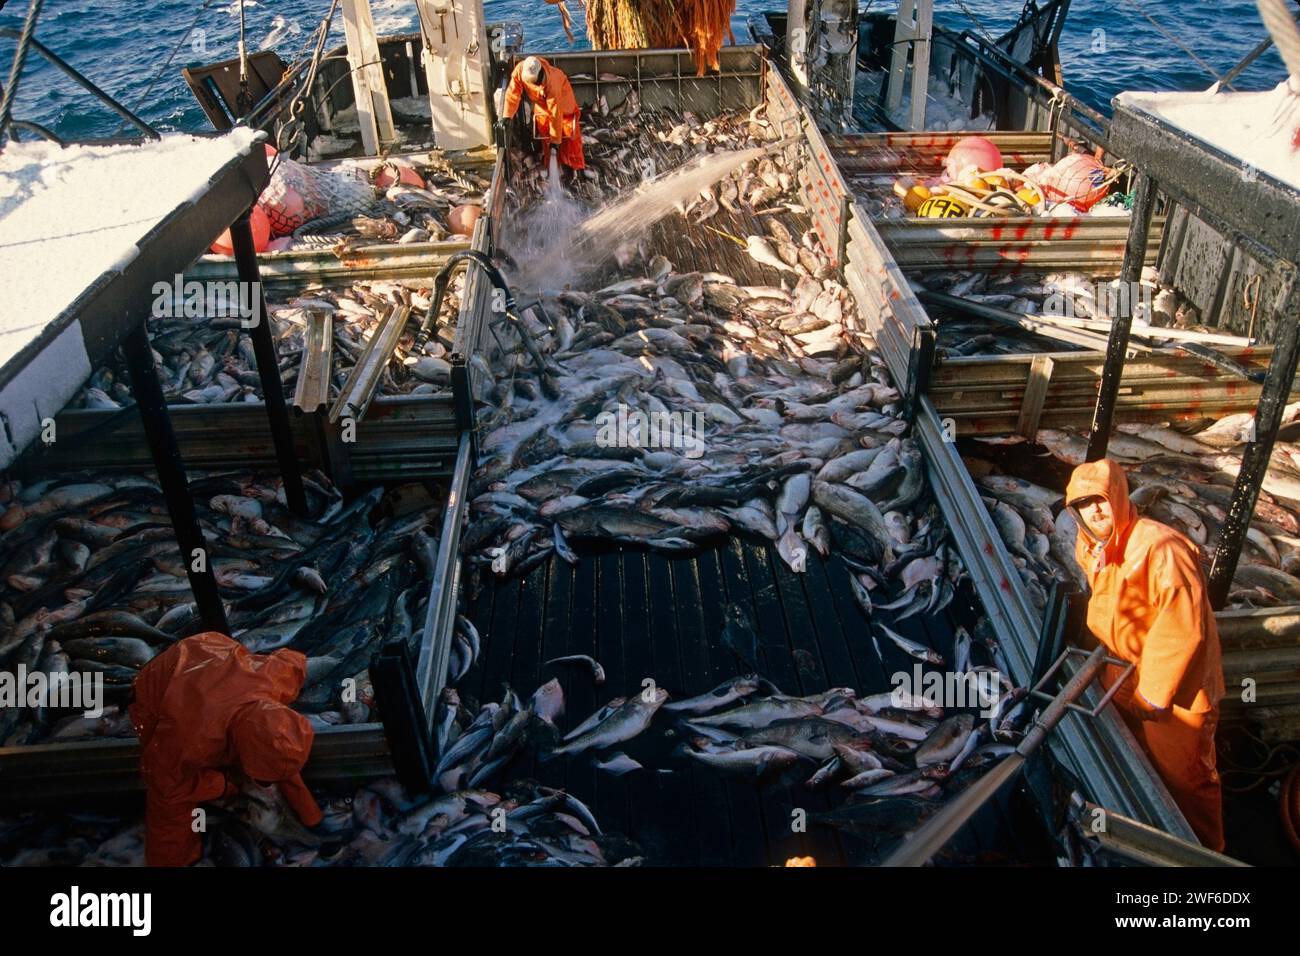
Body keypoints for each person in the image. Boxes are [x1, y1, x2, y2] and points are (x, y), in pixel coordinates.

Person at [1065, 457, 1226, 851]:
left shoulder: (1163, 548)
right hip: (1123, 665)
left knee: (1186, 776)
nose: (1095, 511)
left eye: (1101, 500)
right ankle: (1148, 824)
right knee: (1135, 749)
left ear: (1119, 497)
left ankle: (1207, 852)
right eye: (1083, 504)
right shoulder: (1091, 544)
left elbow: (1181, 632)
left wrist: (1153, 695)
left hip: (1178, 688)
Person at [129, 632, 323, 866]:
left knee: (276, 741)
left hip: (212, 651)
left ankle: (311, 817)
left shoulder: (275, 680)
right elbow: (164, 782)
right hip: (161, 683)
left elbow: (294, 662)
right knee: (171, 807)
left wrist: (313, 820)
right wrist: (223, 786)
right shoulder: (190, 741)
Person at [496, 55, 586, 171]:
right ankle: (553, 167)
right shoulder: (520, 70)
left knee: (570, 140)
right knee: (546, 138)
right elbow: (513, 95)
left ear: (540, 77)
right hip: (542, 109)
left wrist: (555, 143)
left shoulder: (553, 82)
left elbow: (555, 114)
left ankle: (576, 170)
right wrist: (507, 117)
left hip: (563, 107)